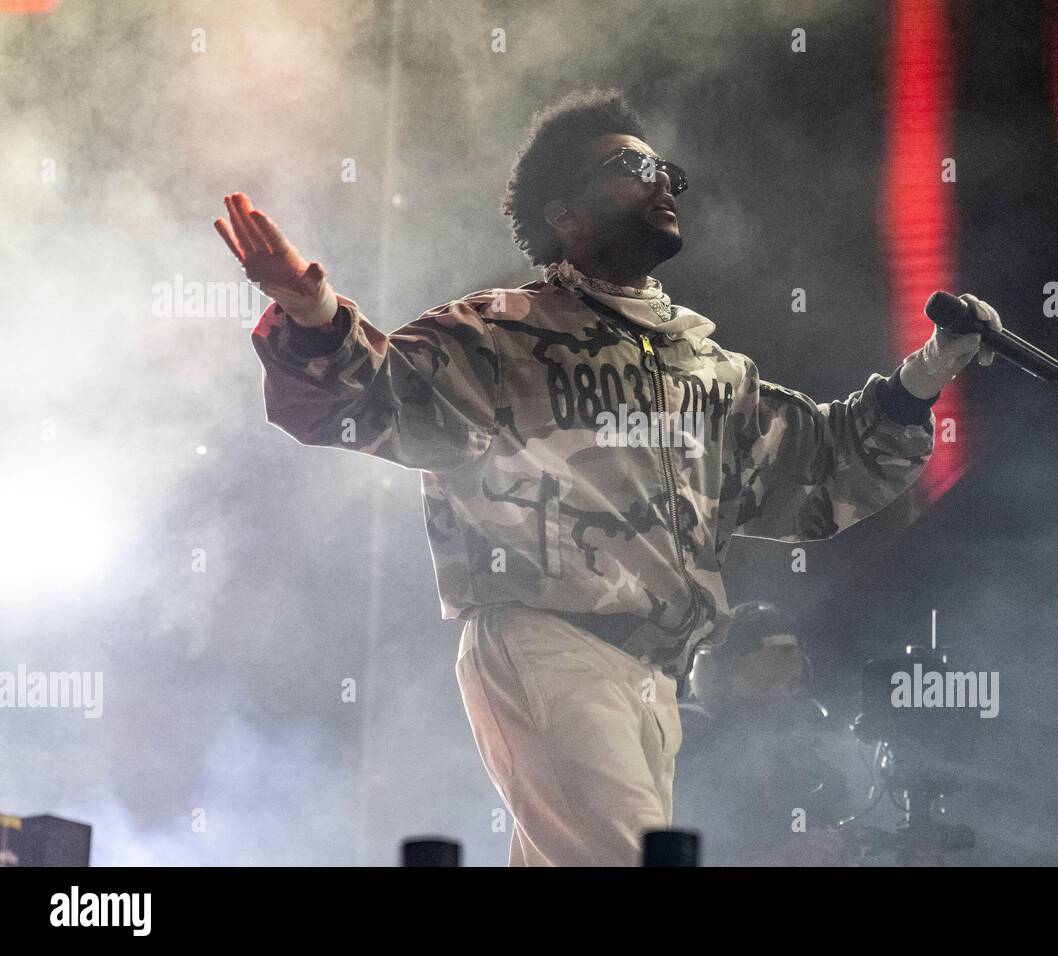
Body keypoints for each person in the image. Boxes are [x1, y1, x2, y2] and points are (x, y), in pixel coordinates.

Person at [214, 88, 1002, 866]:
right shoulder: (503, 333)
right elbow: (372, 392)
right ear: (567, 216)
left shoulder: (708, 369)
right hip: (547, 642)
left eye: (665, 168)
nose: (660, 179)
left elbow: (824, 464)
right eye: (630, 166)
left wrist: (930, 371)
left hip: (655, 676)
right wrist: (308, 304)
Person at [676, 601, 859, 866]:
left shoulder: (795, 746)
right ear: (719, 677)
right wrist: (772, 859)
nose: (779, 695)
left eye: (790, 682)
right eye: (765, 681)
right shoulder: (688, 738)